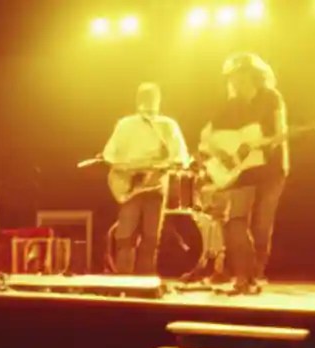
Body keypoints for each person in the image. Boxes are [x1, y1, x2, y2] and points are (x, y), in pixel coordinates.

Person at [200, 53, 289, 294]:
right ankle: (242, 274)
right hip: (243, 170)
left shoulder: (271, 98)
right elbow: (206, 138)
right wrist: (222, 152)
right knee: (236, 220)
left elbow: (280, 133)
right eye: (231, 78)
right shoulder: (230, 105)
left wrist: (260, 143)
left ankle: (255, 273)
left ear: (252, 74)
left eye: (238, 76)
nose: (234, 81)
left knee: (262, 223)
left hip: (271, 167)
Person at [101, 83, 190, 275]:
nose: (148, 102)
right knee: (127, 237)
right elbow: (109, 155)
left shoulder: (167, 125)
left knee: (150, 238)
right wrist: (128, 169)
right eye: (145, 98)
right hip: (132, 187)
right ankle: (125, 282)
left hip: (154, 186)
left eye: (151, 98)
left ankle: (143, 283)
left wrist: (163, 165)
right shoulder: (126, 124)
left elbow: (180, 157)